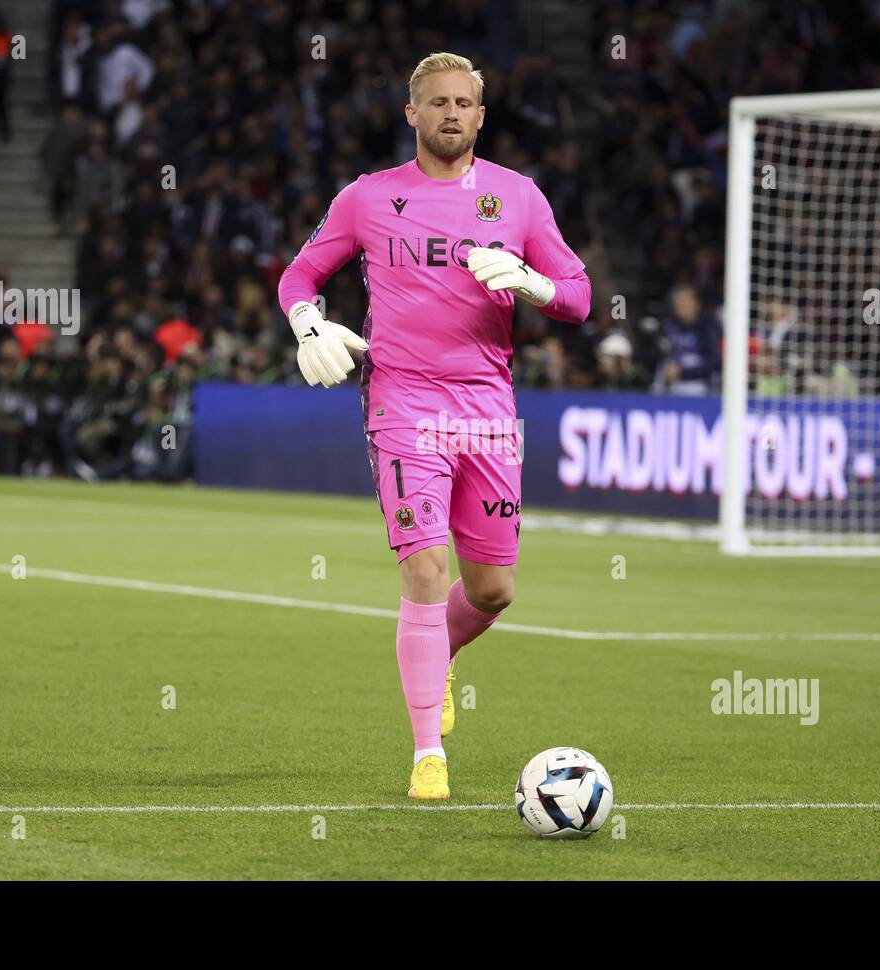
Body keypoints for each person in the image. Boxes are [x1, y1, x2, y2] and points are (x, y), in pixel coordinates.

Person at [276, 52, 591, 800]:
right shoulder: (368, 197)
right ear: (411, 114)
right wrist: (305, 322)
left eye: (465, 103)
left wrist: (536, 283)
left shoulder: (519, 199)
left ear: (481, 116)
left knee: (492, 591)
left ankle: (439, 655)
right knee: (425, 568)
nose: (451, 113)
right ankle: (428, 757)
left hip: (487, 411)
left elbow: (579, 296)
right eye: (437, 102)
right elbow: (299, 274)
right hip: (403, 402)